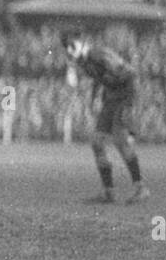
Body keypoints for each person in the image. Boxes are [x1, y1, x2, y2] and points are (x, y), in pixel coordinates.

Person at [61, 27, 149, 203]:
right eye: (67, 47)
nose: (69, 50)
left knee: (120, 139)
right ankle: (109, 191)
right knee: (97, 141)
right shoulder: (84, 62)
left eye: (72, 45)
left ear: (81, 42)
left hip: (125, 94)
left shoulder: (98, 54)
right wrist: (95, 98)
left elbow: (127, 73)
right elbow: (98, 80)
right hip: (111, 97)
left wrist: (126, 97)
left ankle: (141, 188)